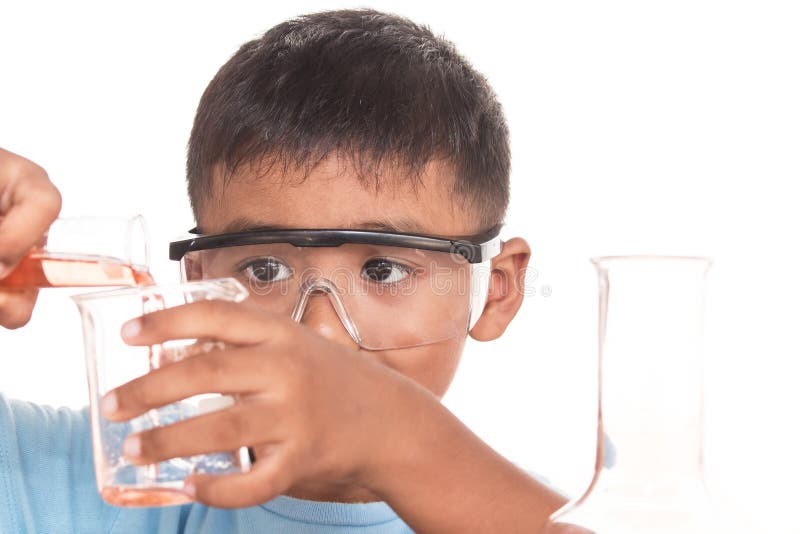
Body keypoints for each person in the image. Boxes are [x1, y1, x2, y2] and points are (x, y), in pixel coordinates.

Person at [0, 9, 567, 533]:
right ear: (195, 288)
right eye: (265, 269)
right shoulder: (78, 480)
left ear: (495, 291)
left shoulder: (547, 514)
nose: (319, 334)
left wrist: (399, 436)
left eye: (385, 271)